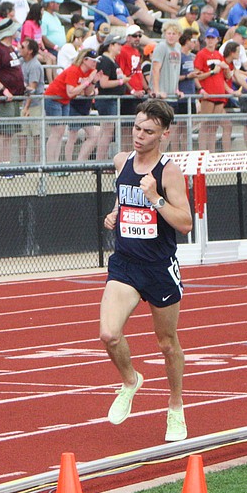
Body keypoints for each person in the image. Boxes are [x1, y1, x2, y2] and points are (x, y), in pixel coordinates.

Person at [100, 99, 193, 443]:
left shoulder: (168, 172)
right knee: (109, 334)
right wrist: (114, 215)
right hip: (125, 263)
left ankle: (175, 405)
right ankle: (130, 380)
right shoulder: (121, 161)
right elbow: (122, 202)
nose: (139, 136)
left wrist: (156, 198)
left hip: (158, 267)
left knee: (167, 343)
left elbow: (184, 224)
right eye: (137, 128)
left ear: (164, 135)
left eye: (148, 131)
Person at [44, 49, 99, 167]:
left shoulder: (88, 72)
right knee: (56, 131)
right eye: (92, 60)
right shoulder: (74, 70)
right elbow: (70, 92)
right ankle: (50, 163)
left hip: (64, 100)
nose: (95, 63)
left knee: (60, 131)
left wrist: (92, 82)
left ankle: (55, 162)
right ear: (85, 60)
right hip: (54, 98)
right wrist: (87, 82)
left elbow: (86, 93)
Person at [0, 18, 25, 166]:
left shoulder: (11, 48)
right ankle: (0, 163)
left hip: (14, 97)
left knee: (9, 132)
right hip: (4, 98)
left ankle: (6, 163)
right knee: (2, 131)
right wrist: (3, 90)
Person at [194, 27, 231, 152]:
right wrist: (211, 72)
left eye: (212, 38)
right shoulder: (201, 54)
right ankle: (202, 153)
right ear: (205, 39)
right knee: (205, 124)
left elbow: (227, 76)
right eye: (208, 38)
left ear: (217, 40)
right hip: (208, 93)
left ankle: (212, 153)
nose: (210, 41)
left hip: (220, 94)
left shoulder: (219, 55)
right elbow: (196, 75)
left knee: (214, 126)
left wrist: (226, 68)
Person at [95, 35, 128, 160]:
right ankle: (100, 161)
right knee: (107, 132)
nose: (120, 47)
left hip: (111, 100)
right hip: (107, 100)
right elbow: (104, 83)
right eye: (118, 44)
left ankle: (100, 160)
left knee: (107, 131)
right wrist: (121, 82)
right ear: (111, 45)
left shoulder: (112, 60)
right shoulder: (105, 61)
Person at [19, 37, 44, 162]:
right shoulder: (21, 62)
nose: (20, 48)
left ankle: (36, 163)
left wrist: (26, 107)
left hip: (33, 105)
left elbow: (32, 89)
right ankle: (22, 163)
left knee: (36, 135)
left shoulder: (34, 66)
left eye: (23, 47)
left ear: (30, 51)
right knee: (22, 134)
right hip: (24, 103)